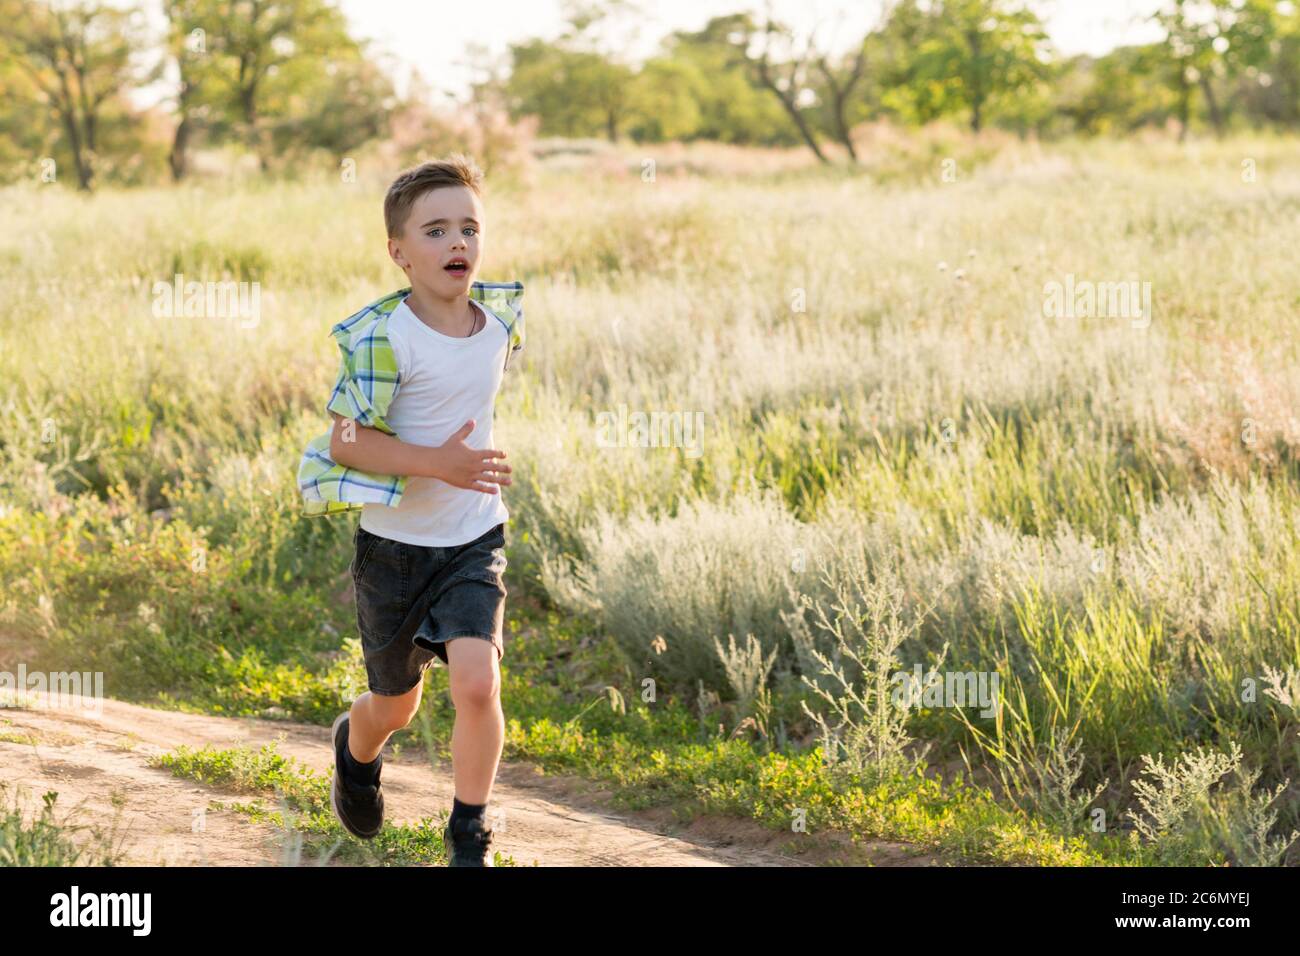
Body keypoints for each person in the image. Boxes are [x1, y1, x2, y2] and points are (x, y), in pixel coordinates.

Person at [296, 154, 524, 866]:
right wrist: (438, 464)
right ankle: (355, 752)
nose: (456, 243)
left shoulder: (498, 322)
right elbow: (345, 439)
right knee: (395, 707)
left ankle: (469, 833)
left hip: (472, 537)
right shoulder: (383, 337)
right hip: (393, 550)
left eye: (468, 228)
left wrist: (466, 473)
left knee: (477, 683)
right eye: (434, 231)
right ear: (398, 252)